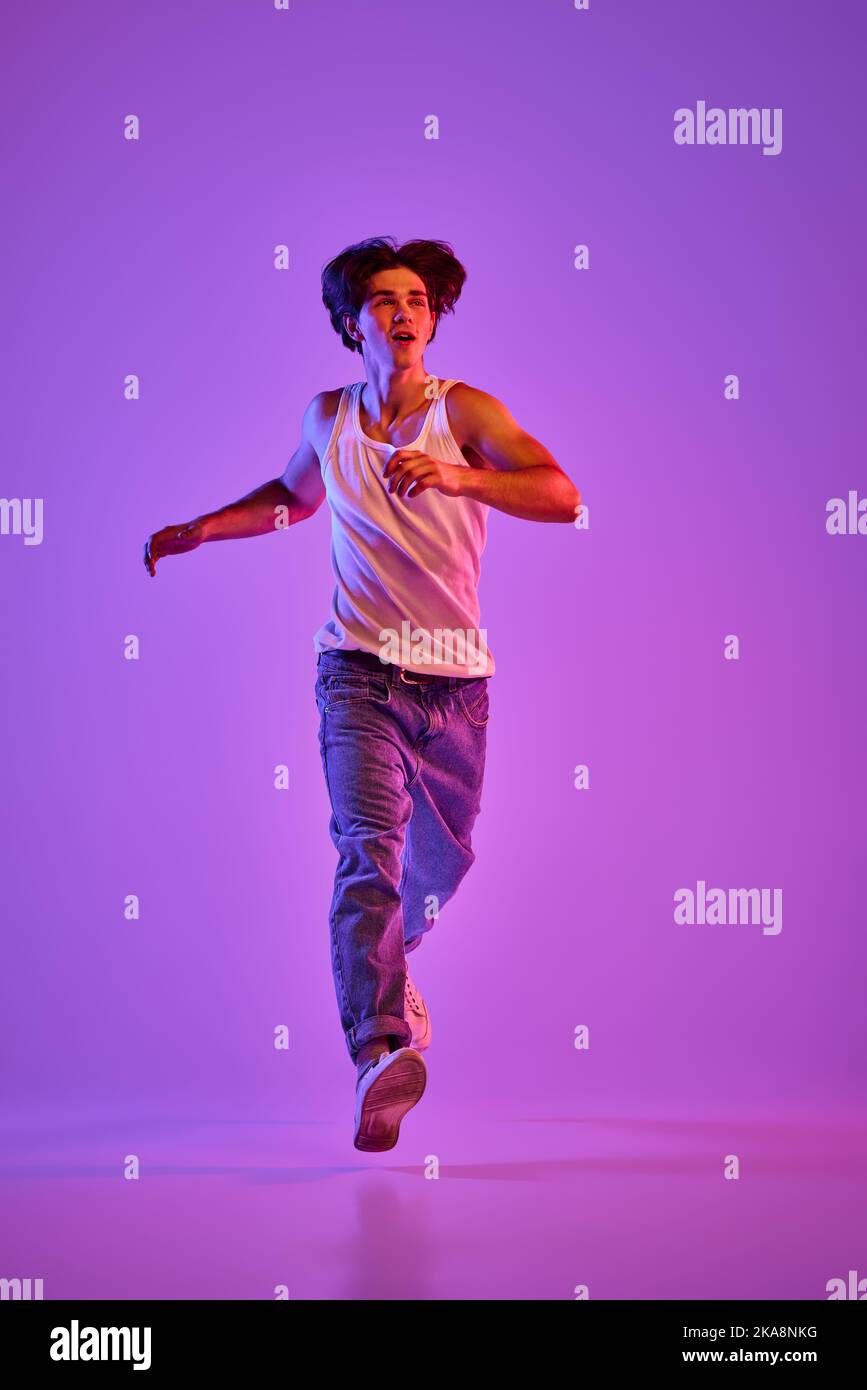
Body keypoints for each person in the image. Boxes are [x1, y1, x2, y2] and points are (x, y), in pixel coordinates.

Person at [143, 236, 581, 1151]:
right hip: (356, 672)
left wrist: (459, 474)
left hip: (455, 680)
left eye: (417, 299)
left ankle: (393, 961)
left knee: (444, 863)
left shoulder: (464, 411)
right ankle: (377, 1053)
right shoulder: (326, 416)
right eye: (384, 301)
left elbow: (560, 490)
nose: (405, 313)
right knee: (365, 852)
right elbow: (293, 501)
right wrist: (203, 529)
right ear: (353, 324)